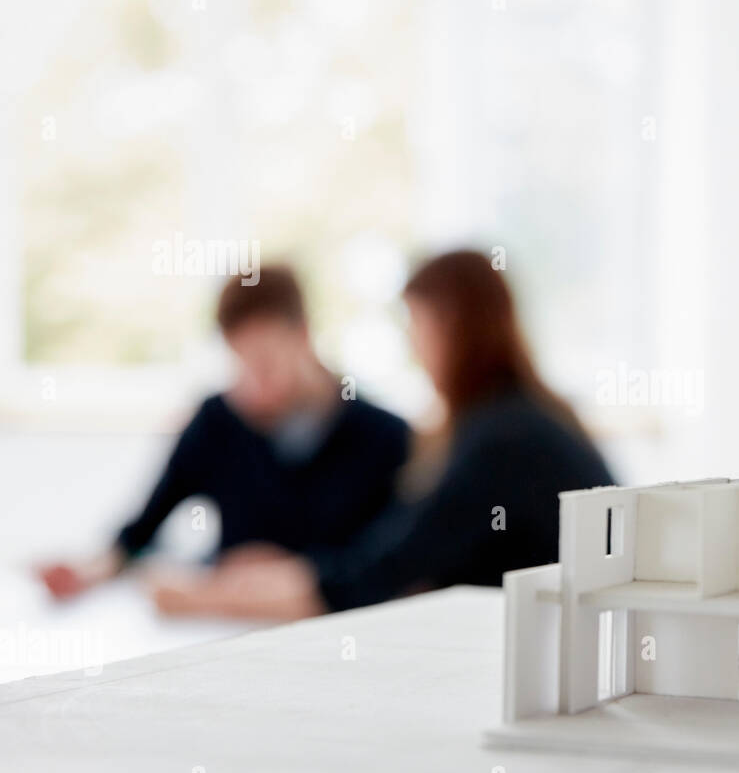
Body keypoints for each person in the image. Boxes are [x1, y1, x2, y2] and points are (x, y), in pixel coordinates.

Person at [163, 250, 615, 619]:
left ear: (451, 327)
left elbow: (383, 571)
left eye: (417, 325)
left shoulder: (501, 439)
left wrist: (210, 596)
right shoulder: (520, 417)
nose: (415, 348)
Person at [37, 267, 410, 614]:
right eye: (240, 363)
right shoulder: (217, 422)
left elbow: (389, 567)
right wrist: (88, 572)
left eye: (265, 362)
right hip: (226, 634)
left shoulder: (384, 436)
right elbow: (140, 532)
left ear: (303, 336)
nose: (253, 385)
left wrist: (276, 582)